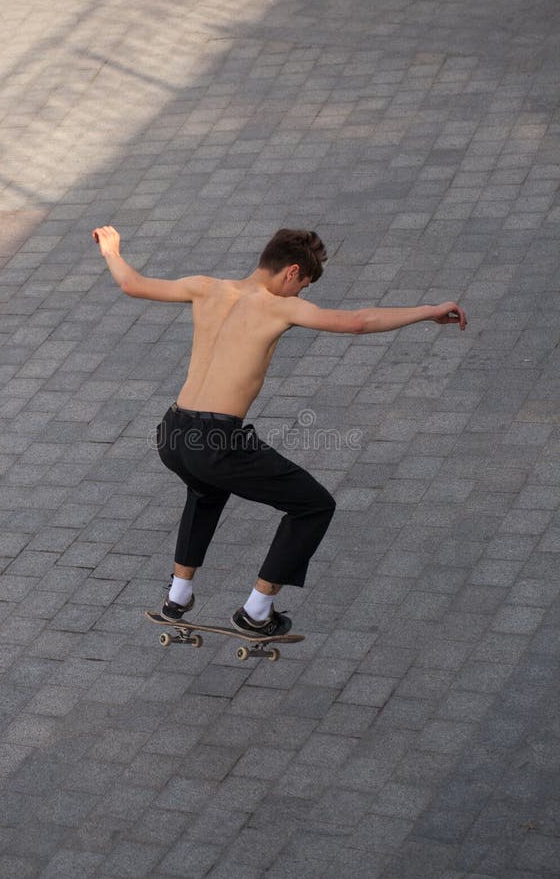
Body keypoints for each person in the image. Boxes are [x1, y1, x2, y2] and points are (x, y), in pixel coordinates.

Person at [93, 225, 467, 637]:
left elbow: (131, 284)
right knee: (313, 505)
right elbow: (358, 322)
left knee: (205, 490)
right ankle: (257, 611)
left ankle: (177, 597)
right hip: (217, 442)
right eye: (303, 285)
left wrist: (112, 250)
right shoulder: (278, 307)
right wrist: (428, 310)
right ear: (291, 272)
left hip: (173, 432)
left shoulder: (205, 287)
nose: (301, 294)